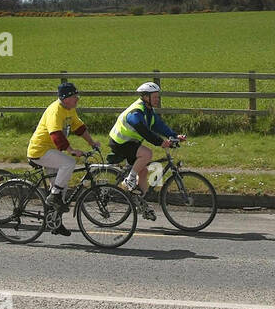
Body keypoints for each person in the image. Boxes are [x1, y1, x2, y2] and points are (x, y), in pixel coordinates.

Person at [26, 82, 103, 236]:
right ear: (66, 98)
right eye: (75, 96)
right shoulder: (55, 110)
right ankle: (53, 196)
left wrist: (92, 142)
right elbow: (56, 134)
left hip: (51, 152)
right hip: (39, 151)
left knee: (61, 188)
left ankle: (55, 222)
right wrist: (71, 150)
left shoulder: (70, 109)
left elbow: (79, 128)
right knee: (69, 163)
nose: (77, 99)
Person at [108, 81, 183, 218]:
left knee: (143, 171)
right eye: (154, 97)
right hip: (119, 142)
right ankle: (129, 180)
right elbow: (143, 130)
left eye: (158, 96)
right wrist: (160, 142)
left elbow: (159, 126)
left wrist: (174, 135)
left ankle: (141, 204)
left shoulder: (148, 111)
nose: (157, 99)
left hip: (130, 143)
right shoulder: (136, 111)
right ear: (145, 97)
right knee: (147, 154)